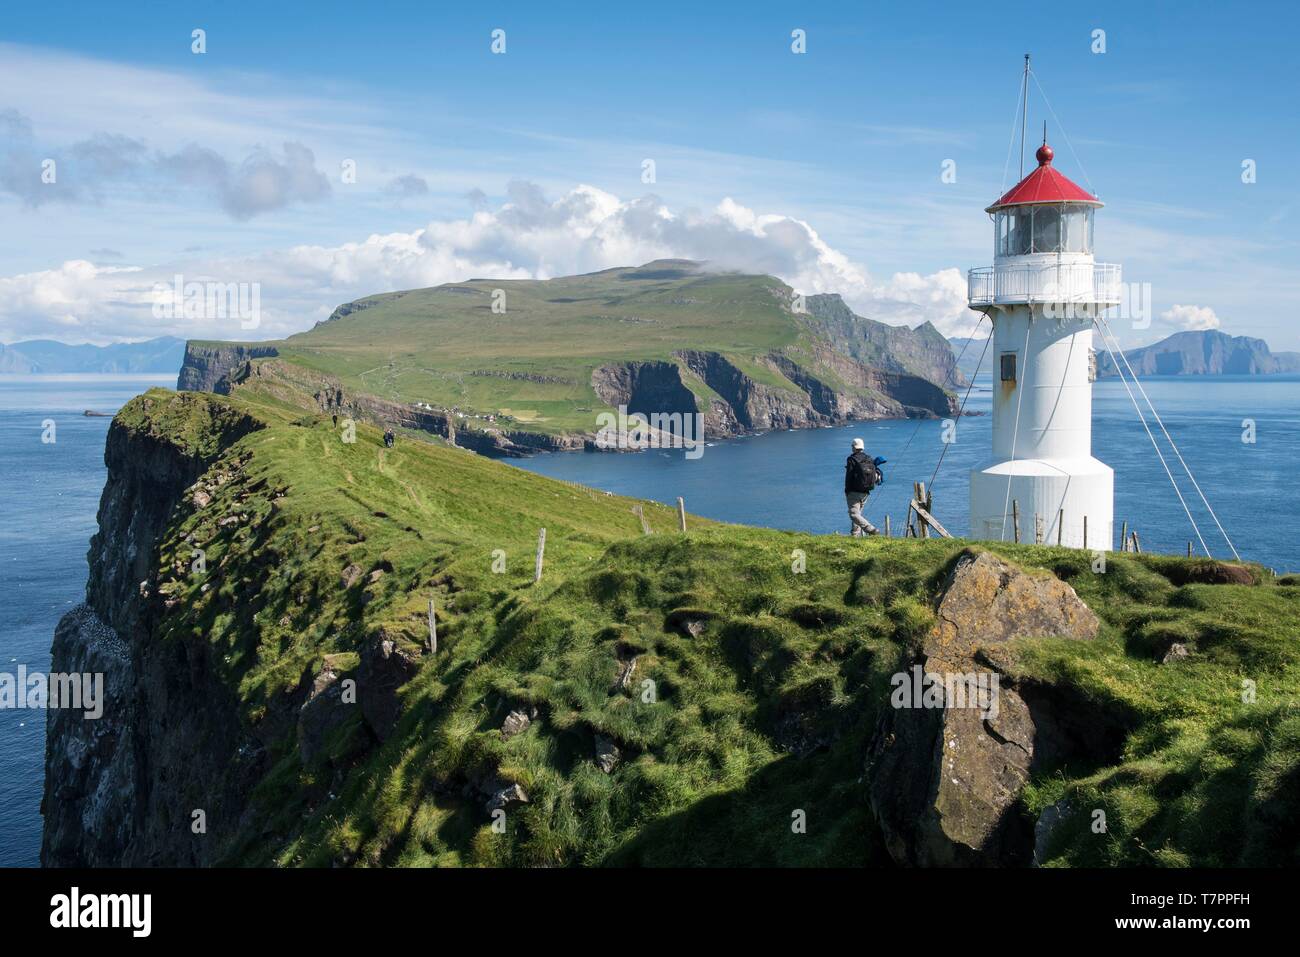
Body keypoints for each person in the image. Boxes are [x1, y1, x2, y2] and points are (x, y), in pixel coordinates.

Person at [844, 437, 879, 537]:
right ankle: (855, 536)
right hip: (866, 491)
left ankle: (871, 529)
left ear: (854, 447)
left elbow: (849, 476)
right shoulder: (869, 458)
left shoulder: (851, 459)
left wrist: (847, 490)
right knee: (858, 515)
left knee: (853, 514)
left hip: (854, 492)